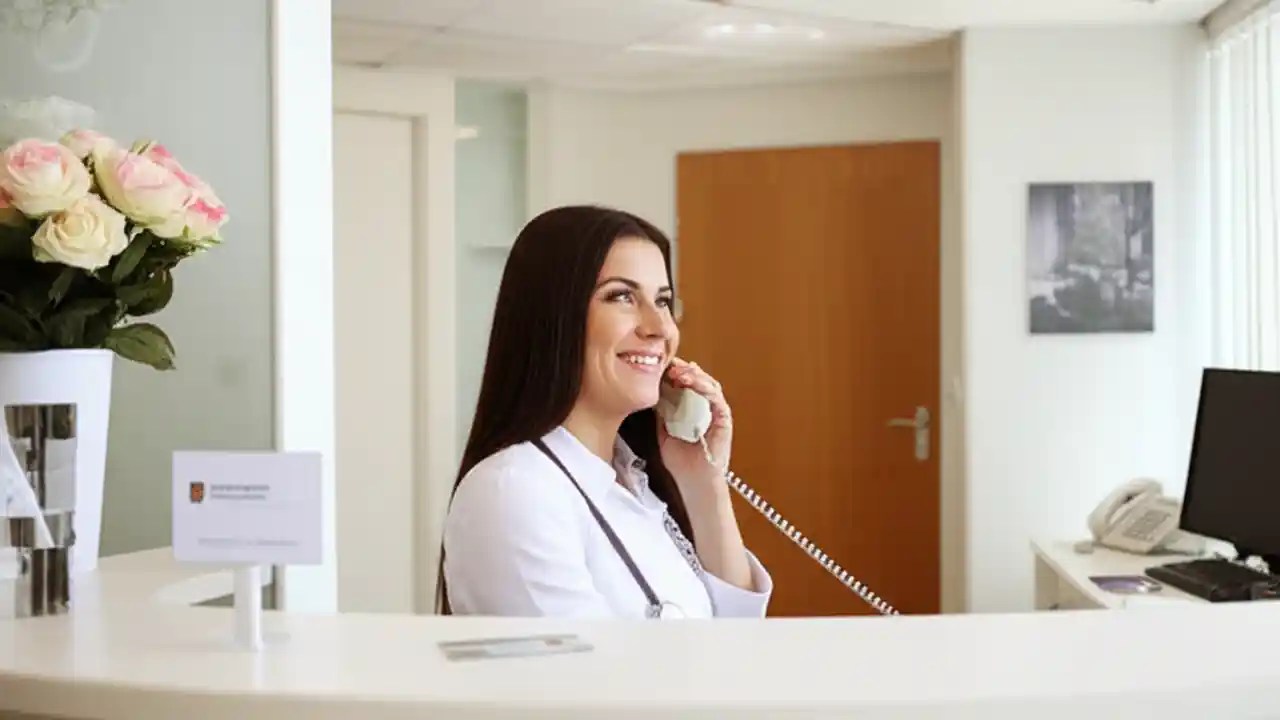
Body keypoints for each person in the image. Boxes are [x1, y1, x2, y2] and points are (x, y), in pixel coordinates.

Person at [439, 205, 773, 619]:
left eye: (664, 301)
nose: (659, 327)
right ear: (554, 318)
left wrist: (705, 486)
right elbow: (589, 680)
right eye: (622, 296)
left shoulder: (632, 482)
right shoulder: (515, 491)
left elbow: (740, 640)